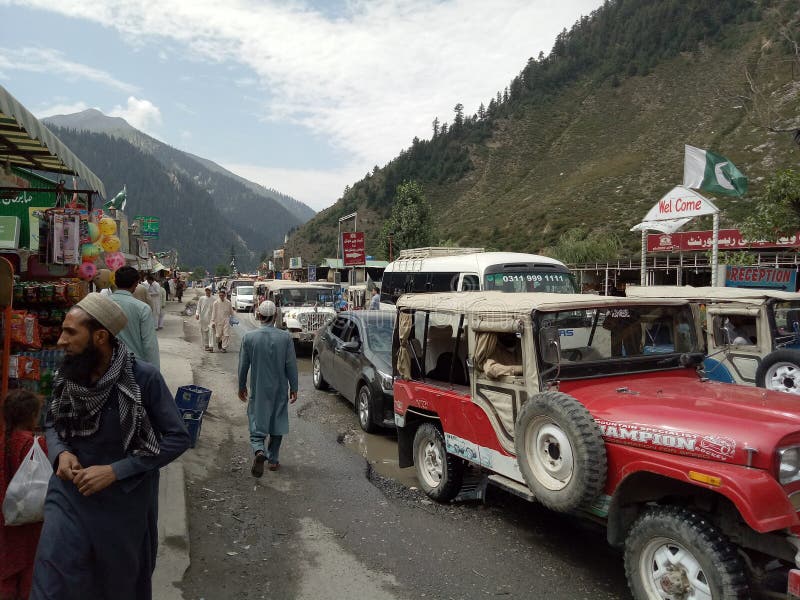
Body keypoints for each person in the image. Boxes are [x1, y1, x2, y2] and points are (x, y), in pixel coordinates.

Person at [30, 293, 190, 600]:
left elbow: (177, 437)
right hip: (68, 495)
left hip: (123, 503)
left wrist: (117, 471)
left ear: (100, 336)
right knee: (52, 578)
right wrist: (61, 453)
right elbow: (52, 421)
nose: (62, 340)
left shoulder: (144, 379)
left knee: (116, 586)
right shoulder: (68, 373)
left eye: (71, 332)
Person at [238, 301, 298, 476]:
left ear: (259, 315)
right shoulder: (285, 337)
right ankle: (272, 460)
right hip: (279, 389)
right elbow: (291, 365)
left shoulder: (249, 338)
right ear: (275, 316)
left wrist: (241, 386)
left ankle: (259, 451)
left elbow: (243, 366)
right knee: (277, 423)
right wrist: (294, 387)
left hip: (259, 388)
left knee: (257, 421)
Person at [1, 390, 46, 600]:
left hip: (4, 520)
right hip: (29, 522)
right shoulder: (35, 445)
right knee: (29, 571)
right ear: (32, 416)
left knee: (6, 570)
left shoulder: (4, 441)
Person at [110, 266, 160, 369]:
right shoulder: (142, 308)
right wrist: (154, 372)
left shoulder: (102, 303)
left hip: (108, 366)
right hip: (134, 366)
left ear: (115, 282)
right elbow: (149, 345)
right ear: (136, 283)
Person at [195, 286, 214, 352]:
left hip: (211, 318)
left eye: (208, 290)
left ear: (211, 291)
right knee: (204, 332)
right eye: (206, 290)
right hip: (203, 318)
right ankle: (206, 345)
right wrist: (197, 314)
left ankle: (211, 346)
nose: (207, 292)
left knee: (211, 332)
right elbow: (198, 307)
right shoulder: (201, 298)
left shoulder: (213, 299)